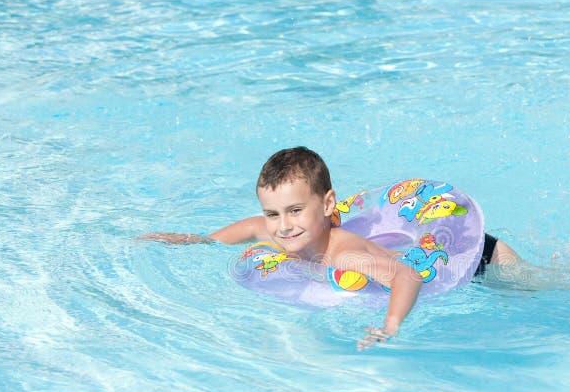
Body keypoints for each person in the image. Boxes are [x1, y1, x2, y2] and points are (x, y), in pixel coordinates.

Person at [139, 147, 521, 348]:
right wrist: (192, 241)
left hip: (476, 260)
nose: (283, 226)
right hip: (423, 252)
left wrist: (391, 325)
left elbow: (406, 275)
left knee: (539, 288)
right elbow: (251, 229)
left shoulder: (345, 254)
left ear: (326, 205)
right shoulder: (278, 232)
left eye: (294, 210)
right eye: (274, 213)